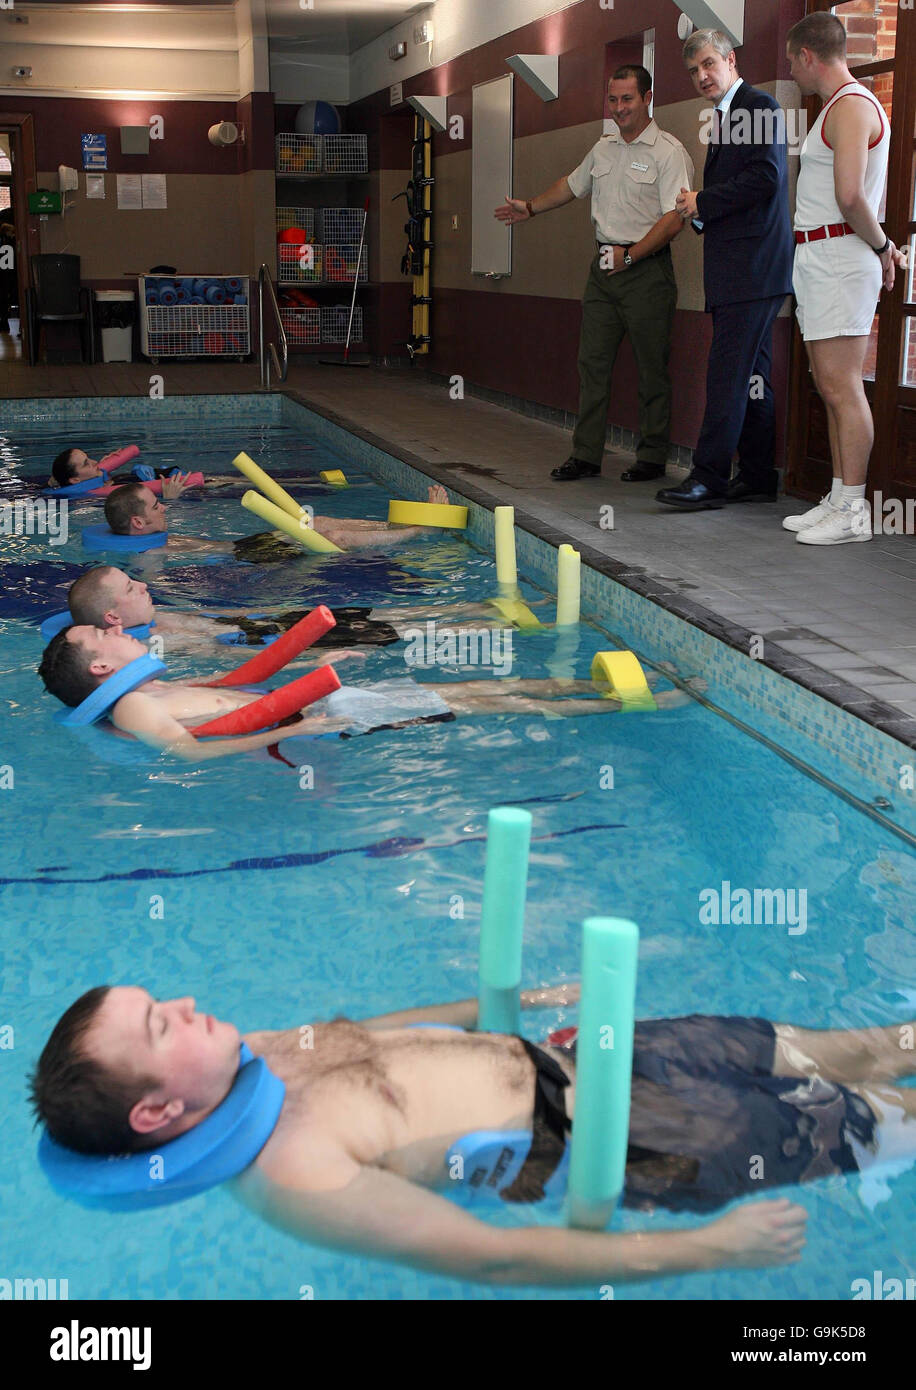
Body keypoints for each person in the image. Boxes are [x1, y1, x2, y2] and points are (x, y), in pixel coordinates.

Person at [38, 984, 916, 1287]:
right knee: (889, 1122)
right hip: (636, 1134)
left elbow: (368, 1033)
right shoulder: (295, 1177)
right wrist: (706, 1251)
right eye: (161, 1025)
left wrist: (489, 1007)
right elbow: (495, 1260)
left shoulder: (251, 1055)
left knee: (868, 1051)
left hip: (597, 1049)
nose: (186, 1006)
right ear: (157, 1115)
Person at [37, 623, 695, 761]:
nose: (116, 630)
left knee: (472, 688)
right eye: (103, 633)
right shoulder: (132, 705)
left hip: (330, 703)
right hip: (331, 718)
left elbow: (240, 688)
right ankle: (643, 700)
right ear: (99, 671)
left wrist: (323, 658)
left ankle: (594, 684)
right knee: (477, 701)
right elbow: (188, 752)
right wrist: (292, 731)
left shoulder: (148, 686)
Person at [495, 66, 694, 484]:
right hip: (603, 266)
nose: (619, 108)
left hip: (647, 271)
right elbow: (570, 185)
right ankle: (585, 456)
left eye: (628, 99)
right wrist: (529, 208)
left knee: (651, 367)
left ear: (647, 98)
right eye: (614, 100)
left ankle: (652, 458)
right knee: (592, 364)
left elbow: (676, 218)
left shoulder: (668, 152)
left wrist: (632, 255)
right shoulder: (602, 149)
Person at [658, 30, 794, 511]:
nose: (702, 76)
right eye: (694, 70)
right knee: (752, 376)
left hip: (752, 271)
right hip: (746, 270)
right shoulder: (727, 114)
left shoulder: (758, 106)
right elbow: (748, 185)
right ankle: (756, 476)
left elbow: (766, 177)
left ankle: (708, 478)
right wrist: (697, 211)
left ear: (731, 60)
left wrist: (703, 201)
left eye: (709, 64)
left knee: (727, 377)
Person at [783, 10, 905, 546]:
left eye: (792, 61)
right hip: (820, 256)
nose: (791, 71)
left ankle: (854, 511)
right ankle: (838, 495)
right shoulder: (832, 106)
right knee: (828, 385)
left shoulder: (852, 106)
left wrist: (883, 248)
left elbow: (851, 196)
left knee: (843, 386)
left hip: (840, 256)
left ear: (809, 56)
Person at [63, 565, 537, 655]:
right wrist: (310, 653)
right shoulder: (158, 643)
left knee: (398, 617)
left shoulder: (152, 621)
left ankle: (492, 606)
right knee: (410, 632)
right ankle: (522, 622)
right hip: (282, 638)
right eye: (130, 587)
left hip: (277, 622)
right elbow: (235, 656)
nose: (142, 584)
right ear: (112, 618)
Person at [100, 481, 452, 558]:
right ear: (138, 523)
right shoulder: (147, 556)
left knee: (319, 521)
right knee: (335, 539)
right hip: (245, 559)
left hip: (244, 547)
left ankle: (398, 529)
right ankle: (420, 531)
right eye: (154, 506)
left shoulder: (148, 539)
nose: (162, 506)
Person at [49, 445, 191, 495]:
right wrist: (171, 501)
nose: (94, 462)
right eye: (86, 464)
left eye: (89, 458)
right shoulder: (99, 499)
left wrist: (105, 474)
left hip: (162, 476)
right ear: (75, 480)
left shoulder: (107, 481)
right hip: (183, 491)